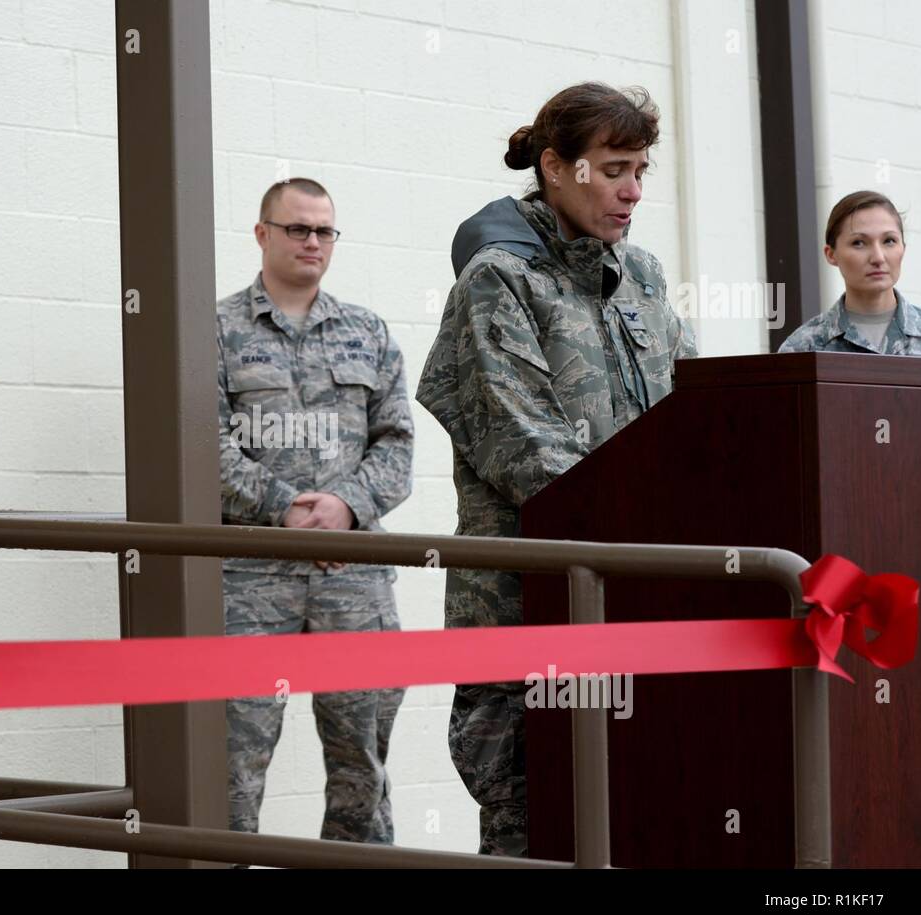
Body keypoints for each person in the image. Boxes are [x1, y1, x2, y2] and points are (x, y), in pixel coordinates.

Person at [416, 82, 697, 857]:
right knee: (533, 827)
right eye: (612, 170)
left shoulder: (640, 277)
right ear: (555, 166)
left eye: (641, 169)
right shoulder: (498, 279)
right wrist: (648, 542)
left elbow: (697, 411)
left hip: (637, 600)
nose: (632, 191)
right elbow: (528, 451)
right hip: (524, 609)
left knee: (642, 815)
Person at [218, 177, 414, 843]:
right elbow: (202, 446)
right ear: (262, 233)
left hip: (352, 576)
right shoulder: (212, 331)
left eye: (324, 230)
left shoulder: (368, 330)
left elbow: (398, 445)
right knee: (230, 766)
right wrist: (285, 511)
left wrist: (346, 507)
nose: (312, 241)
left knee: (362, 765)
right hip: (248, 579)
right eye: (297, 228)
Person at [778, 190, 921, 355]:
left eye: (889, 241)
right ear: (831, 254)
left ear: (903, 248)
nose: (878, 258)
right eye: (858, 243)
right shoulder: (802, 348)